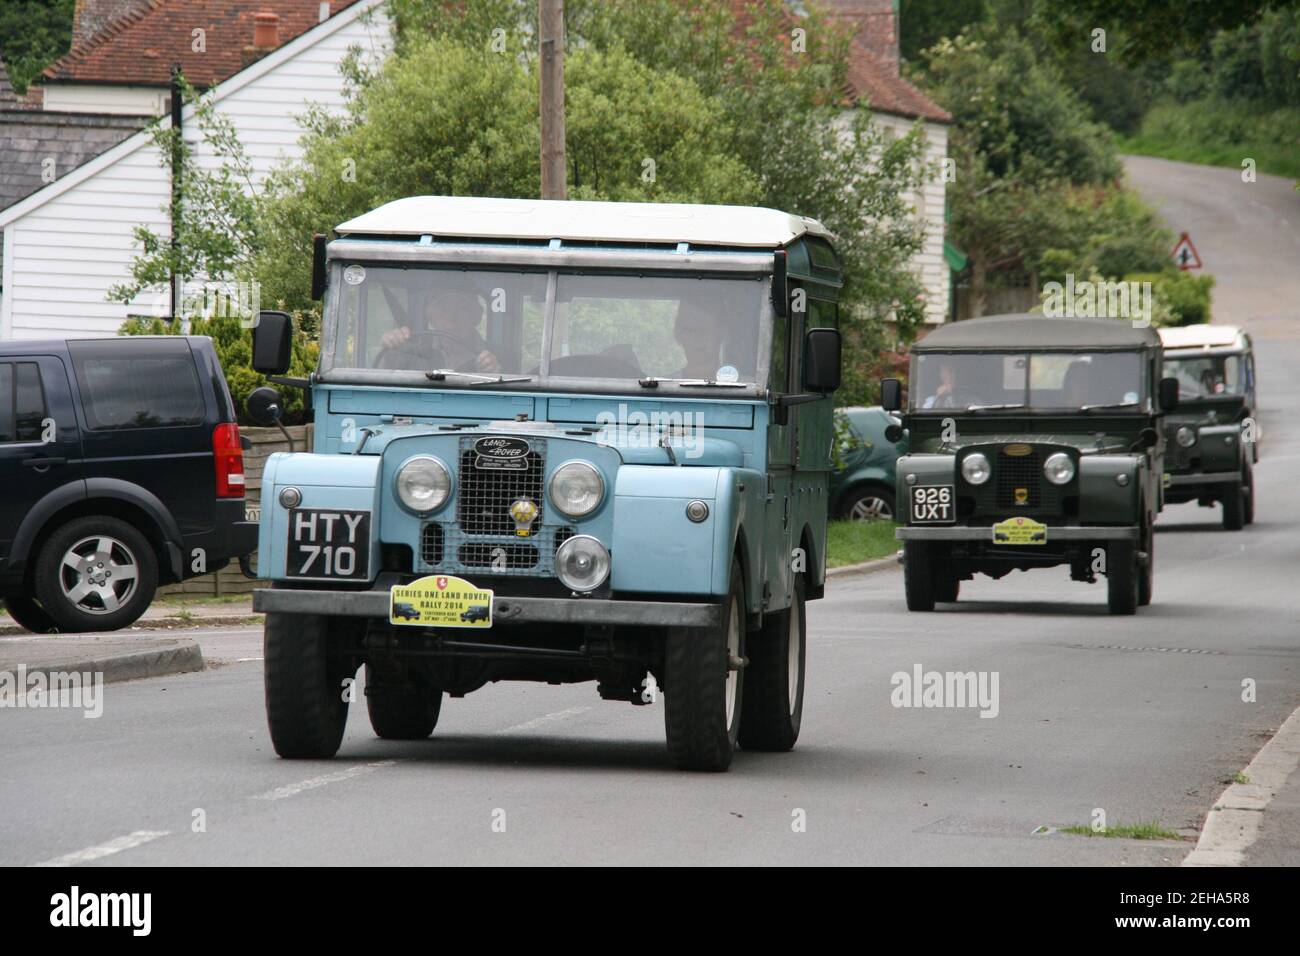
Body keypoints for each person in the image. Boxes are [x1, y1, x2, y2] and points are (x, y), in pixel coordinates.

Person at [380, 291, 500, 373]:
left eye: (462, 308)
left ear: (476, 315)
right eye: (443, 308)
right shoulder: (412, 351)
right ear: (430, 316)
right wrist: (391, 347)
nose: (452, 317)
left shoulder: (501, 357)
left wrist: (495, 376)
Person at [672, 301, 725, 379]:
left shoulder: (747, 388)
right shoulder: (660, 388)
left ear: (721, 333)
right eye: (690, 330)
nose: (697, 338)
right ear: (678, 335)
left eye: (704, 330)